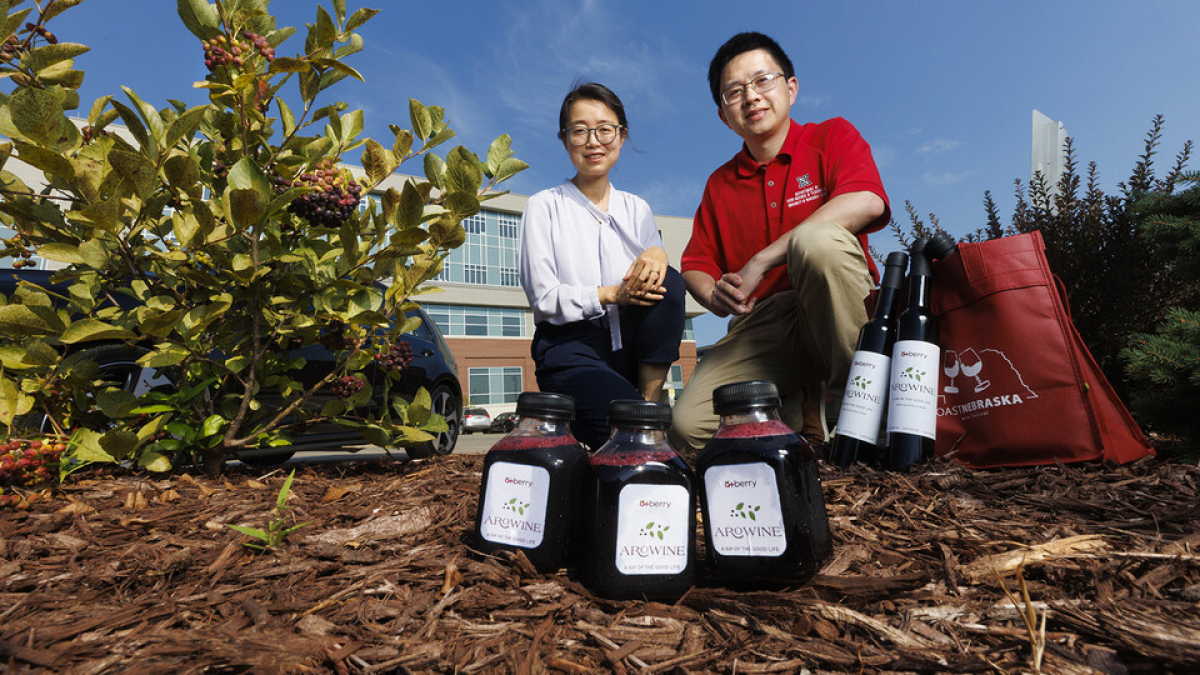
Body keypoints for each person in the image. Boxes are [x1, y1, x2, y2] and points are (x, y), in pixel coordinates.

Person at [672, 32, 891, 452]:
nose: (750, 97)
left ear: (791, 87)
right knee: (689, 425)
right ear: (723, 114)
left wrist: (763, 260)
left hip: (839, 304)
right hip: (766, 325)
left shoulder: (830, 136)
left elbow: (866, 199)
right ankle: (792, 408)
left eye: (762, 81)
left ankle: (863, 418)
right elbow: (696, 263)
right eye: (734, 92)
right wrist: (714, 295)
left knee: (816, 242)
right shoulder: (719, 183)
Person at [519, 82, 686, 450]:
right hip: (571, 347)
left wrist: (658, 252)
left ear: (622, 136)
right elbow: (545, 299)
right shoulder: (545, 206)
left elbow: (654, 268)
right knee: (623, 431)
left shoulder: (636, 208)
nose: (593, 141)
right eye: (579, 131)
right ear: (564, 140)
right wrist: (612, 294)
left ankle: (652, 401)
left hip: (628, 347)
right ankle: (635, 420)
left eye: (604, 129)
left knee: (670, 282)